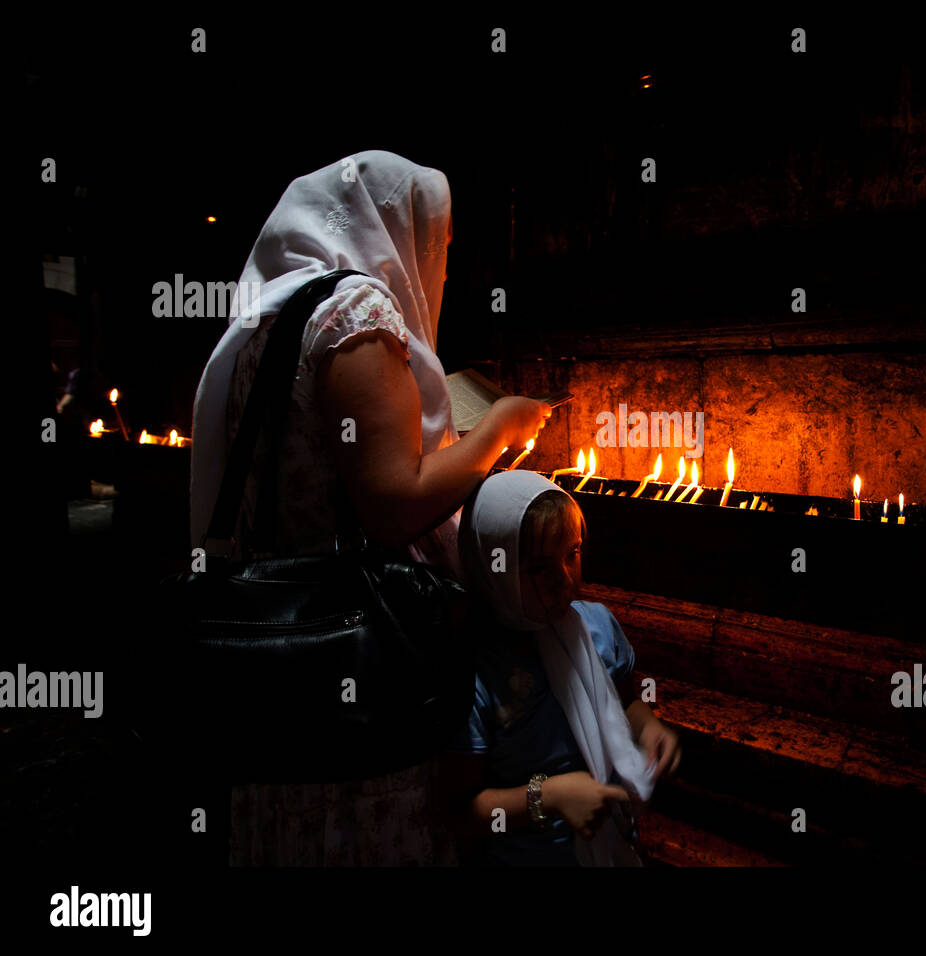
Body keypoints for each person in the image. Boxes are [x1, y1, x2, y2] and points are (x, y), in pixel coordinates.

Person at [188, 150, 551, 865]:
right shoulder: (355, 310)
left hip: (274, 657)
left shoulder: (270, 311)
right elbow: (392, 504)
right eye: (436, 238)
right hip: (356, 655)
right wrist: (502, 427)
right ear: (395, 225)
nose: (438, 258)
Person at [443, 470, 682, 866]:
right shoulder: (476, 673)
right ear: (492, 569)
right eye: (538, 568)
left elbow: (626, 702)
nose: (564, 579)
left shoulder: (597, 627)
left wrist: (649, 726)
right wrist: (547, 797)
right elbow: (461, 813)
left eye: (572, 553)